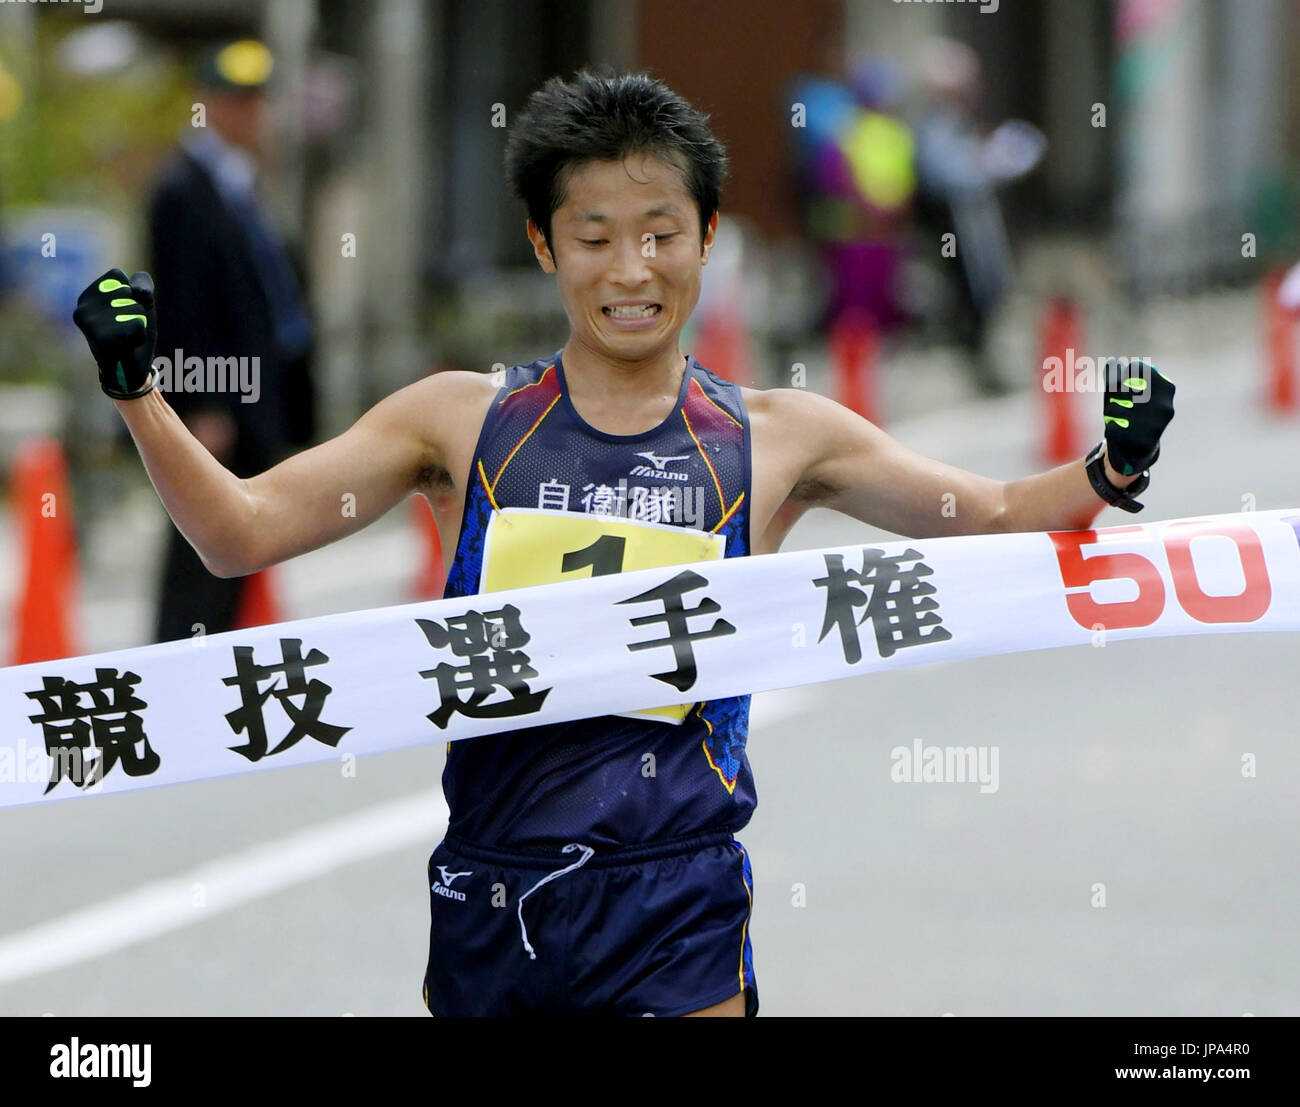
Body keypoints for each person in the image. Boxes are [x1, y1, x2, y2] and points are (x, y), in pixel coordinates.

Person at [72, 70, 1173, 1017]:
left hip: (677, 893)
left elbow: (979, 512)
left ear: (706, 236)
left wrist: (1105, 472)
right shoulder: (458, 422)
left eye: (660, 234)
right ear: (544, 244)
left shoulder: (777, 436)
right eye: (594, 238)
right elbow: (238, 533)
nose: (631, 271)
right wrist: (139, 393)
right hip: (491, 892)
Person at [145, 38, 316, 642]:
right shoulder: (182, 190)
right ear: (207, 105)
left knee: (235, 542)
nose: (250, 115)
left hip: (254, 399)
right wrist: (201, 406)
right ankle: (176, 664)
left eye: (256, 101)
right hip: (220, 400)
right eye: (235, 101)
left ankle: (208, 661)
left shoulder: (237, 183)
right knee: (200, 546)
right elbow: (182, 306)